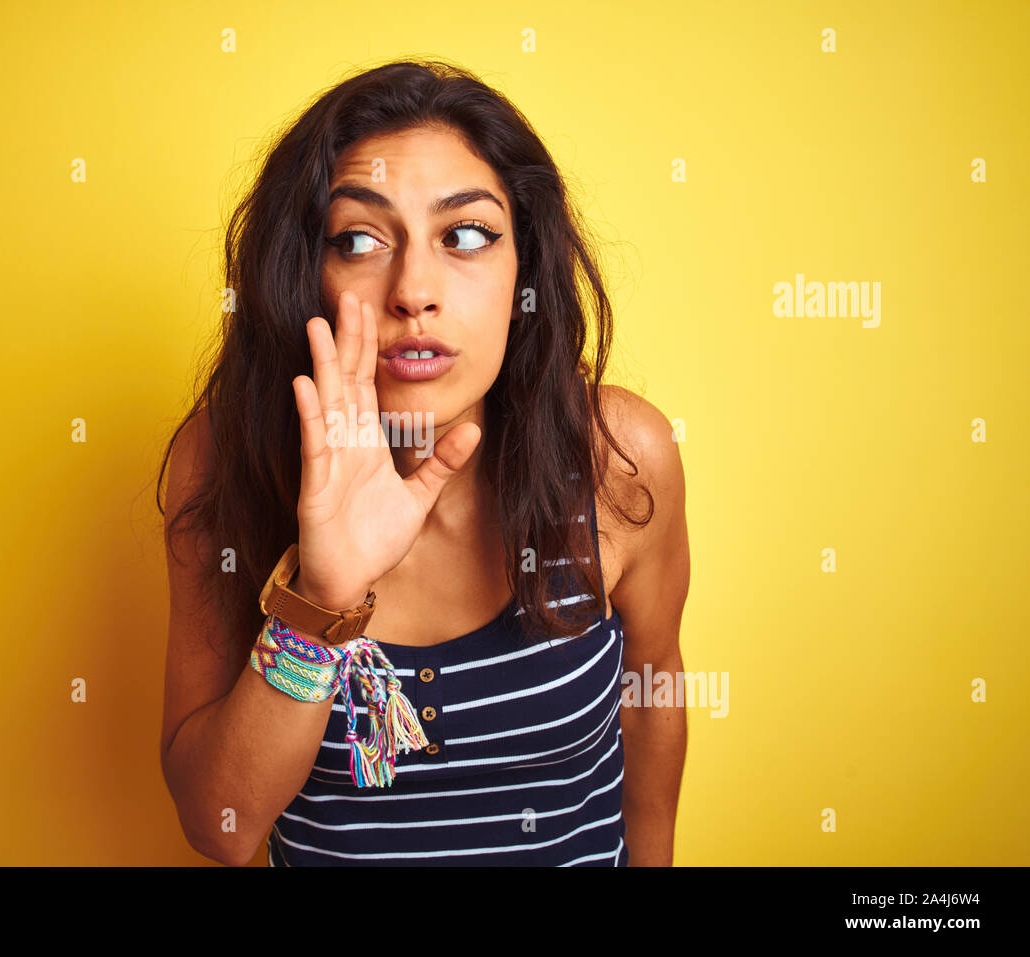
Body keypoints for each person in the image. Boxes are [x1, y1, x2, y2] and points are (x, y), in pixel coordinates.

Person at [157, 58, 689, 866]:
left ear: (524, 276)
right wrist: (321, 600)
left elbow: (651, 696)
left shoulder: (619, 459)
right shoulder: (223, 461)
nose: (413, 290)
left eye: (466, 236)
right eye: (360, 240)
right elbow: (218, 826)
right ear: (305, 273)